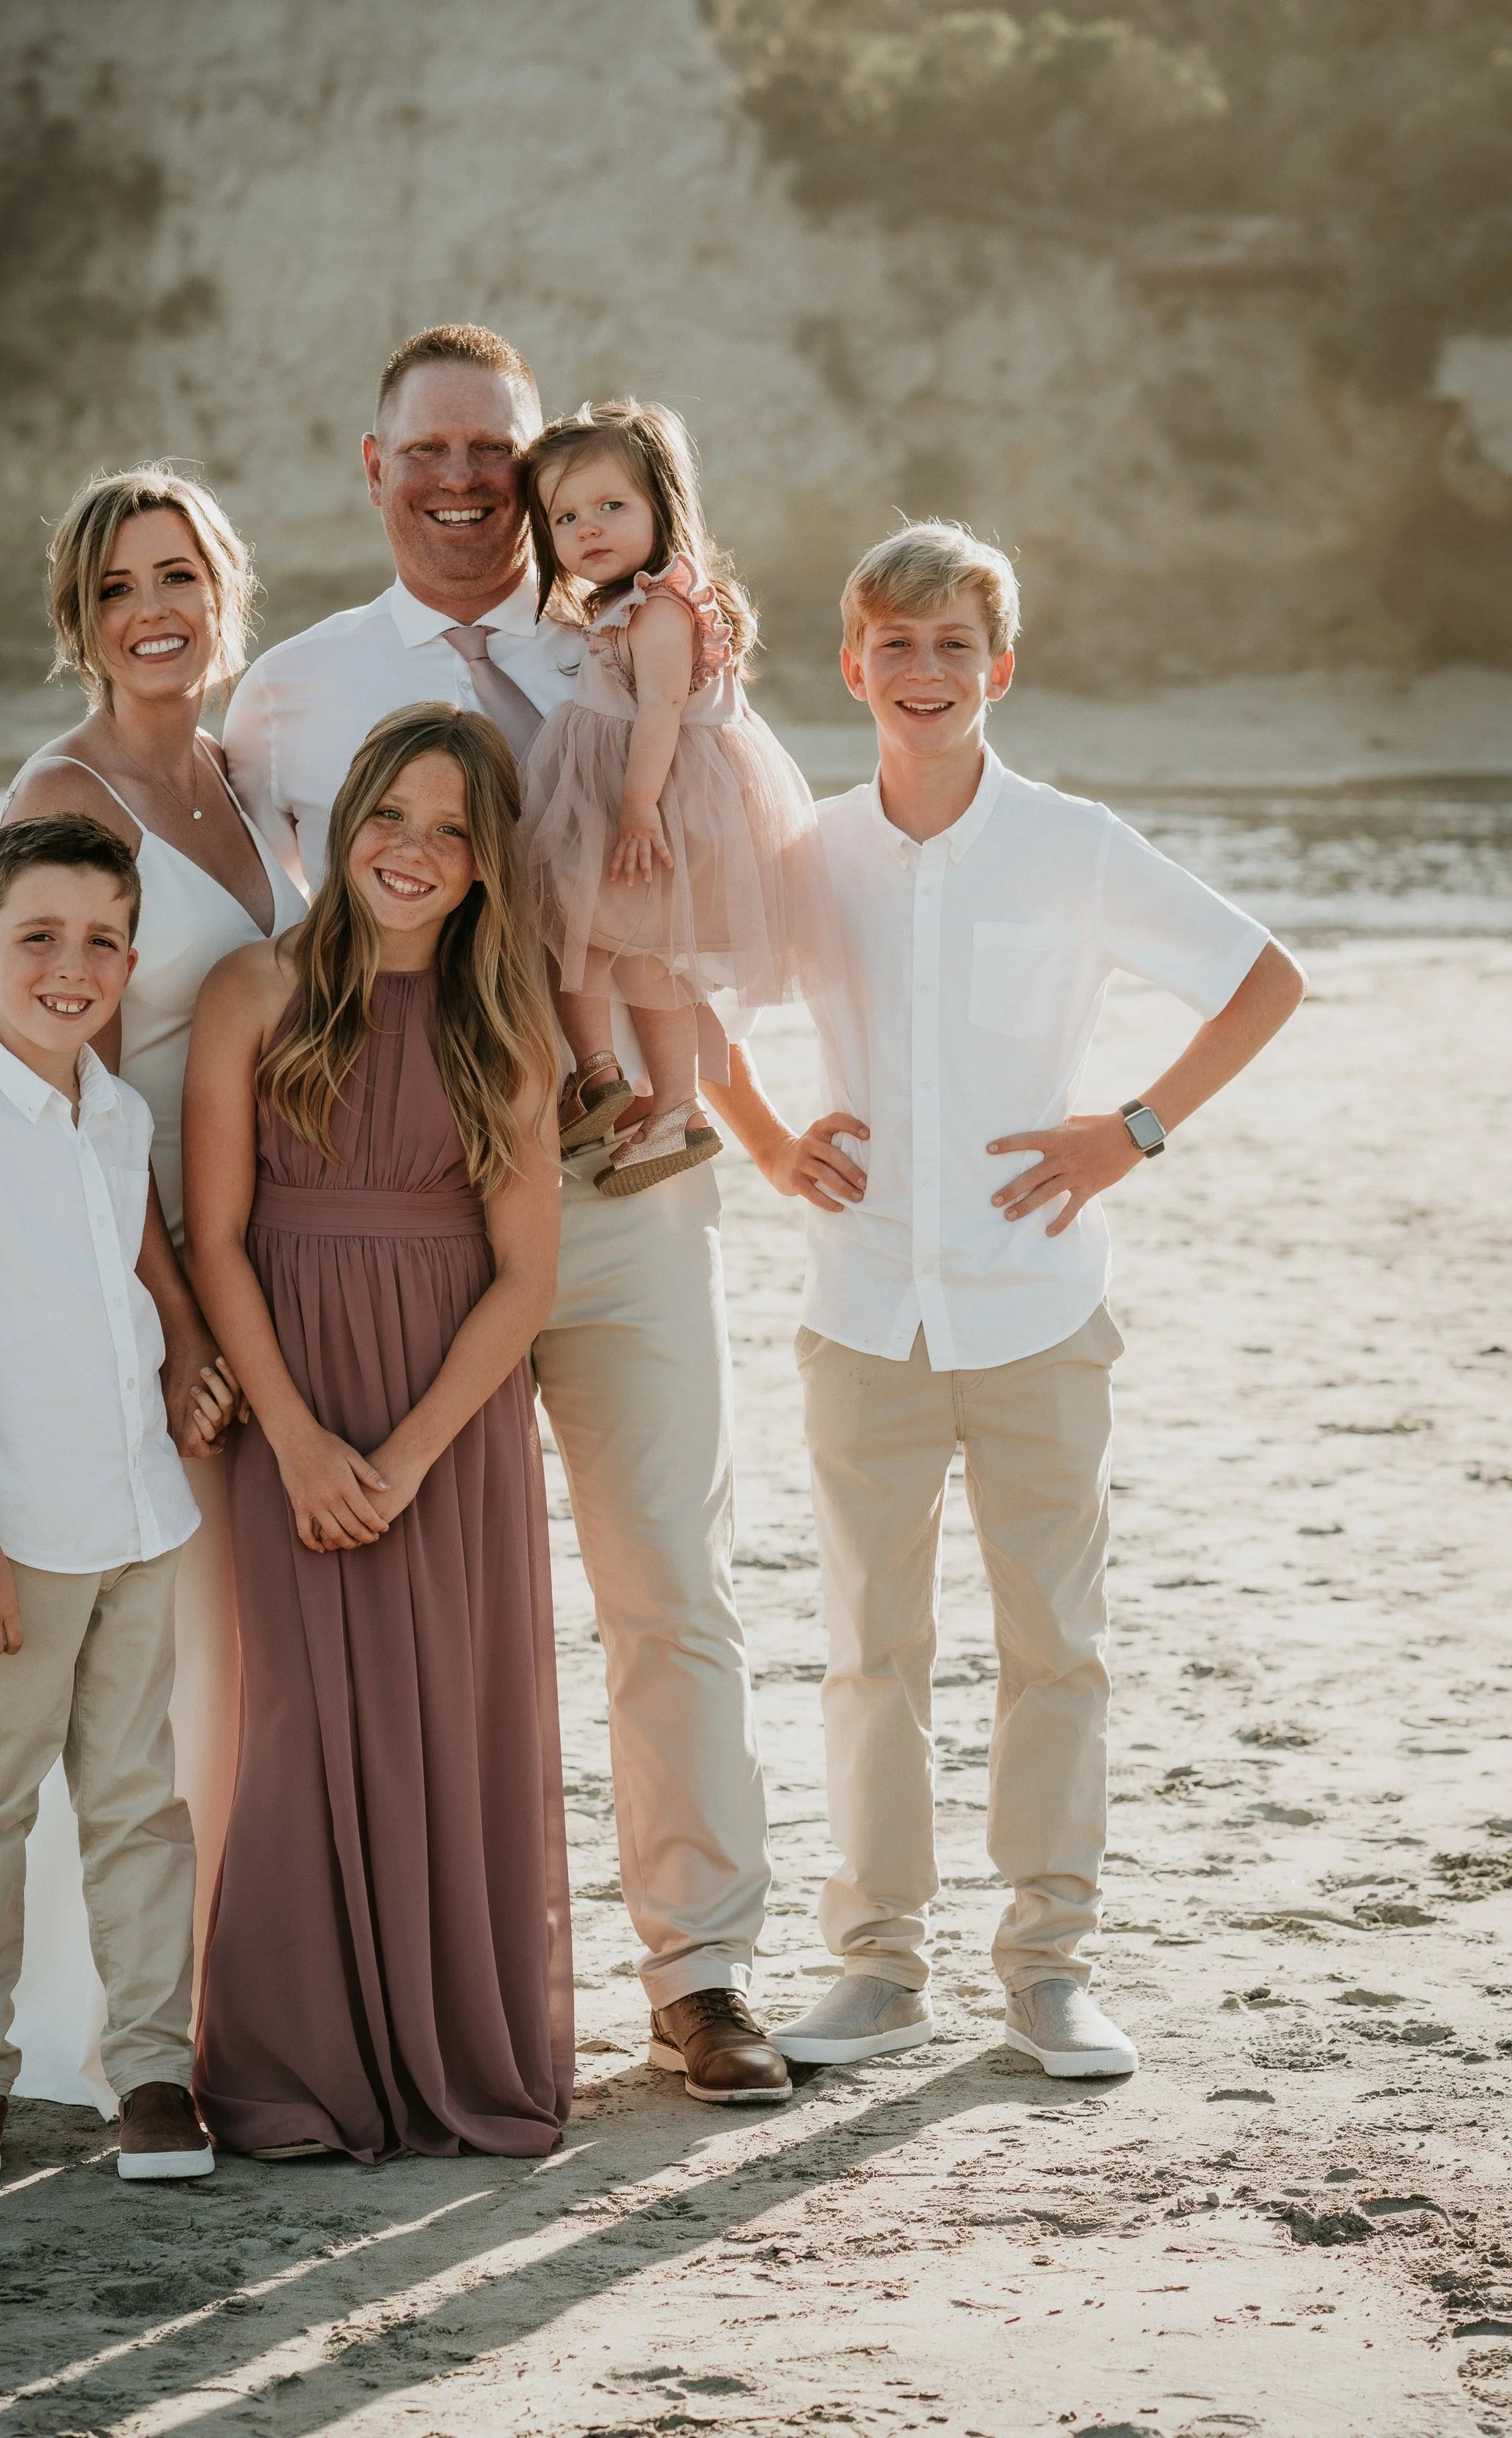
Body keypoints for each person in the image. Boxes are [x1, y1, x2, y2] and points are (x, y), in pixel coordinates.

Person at [223, 325, 789, 2105]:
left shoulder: (639, 644)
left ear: (550, 473)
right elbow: (242, 965)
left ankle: (697, 1974)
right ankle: (375, 1986)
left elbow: (705, 887)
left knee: (665, 1577)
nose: (468, 482)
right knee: (381, 1606)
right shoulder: (289, 697)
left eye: (500, 452)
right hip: (383, 1213)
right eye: (433, 451)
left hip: (611, 1174)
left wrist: (748, 1118)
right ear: (373, 466)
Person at [707, 522, 1305, 2078]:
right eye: (892, 646)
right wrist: (771, 1143)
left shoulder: (1074, 843)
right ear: (850, 666)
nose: (921, 672)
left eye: (950, 645)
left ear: (999, 668)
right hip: (860, 1314)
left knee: (1055, 1645)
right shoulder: (809, 851)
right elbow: (682, 1001)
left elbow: (1262, 978)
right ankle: (876, 1966)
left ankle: (1045, 1964)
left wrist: (1133, 1129)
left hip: (1037, 1306)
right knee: (867, 1649)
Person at [183, 702, 569, 2161]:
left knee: (447, 1723)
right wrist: (289, 1438)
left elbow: (526, 1274)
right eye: (389, 816)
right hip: (290, 1392)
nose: (411, 850)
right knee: (294, 1717)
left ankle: (448, 2052)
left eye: (449, 831)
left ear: (483, 868)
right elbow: (217, 1237)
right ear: (343, 822)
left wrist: (404, 1454)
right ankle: (293, 2065)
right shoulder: (252, 990)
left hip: (444, 1419)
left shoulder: (505, 1014)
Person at [0, 468, 304, 2105]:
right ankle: (116, 2021)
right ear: (83, 618)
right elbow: (73, 1092)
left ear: (224, 585)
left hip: (272, 1261)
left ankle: (224, 1992)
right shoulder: (71, 794)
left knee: (243, 1648)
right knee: (160, 1657)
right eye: (118, 587)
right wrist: (183, 1321)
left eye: (177, 573)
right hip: (146, 1276)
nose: (153, 608)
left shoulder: (244, 779)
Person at [0, 815, 224, 2180]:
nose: (69, 965)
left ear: (130, 960)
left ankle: (150, 2071)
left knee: (141, 1801)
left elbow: (140, 1249)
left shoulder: (116, 1108)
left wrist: (189, 1342)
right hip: (6, 1541)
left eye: (99, 940)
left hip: (140, 1518)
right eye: (38, 938)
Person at [519, 399, 830, 1195]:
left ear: (664, 506)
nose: (588, 528)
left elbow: (659, 710)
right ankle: (626, 1090)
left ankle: (647, 1096)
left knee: (620, 946)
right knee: (602, 943)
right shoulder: (626, 604)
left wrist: (634, 810)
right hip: (634, 795)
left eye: (612, 506)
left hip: (660, 804)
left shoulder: (662, 606)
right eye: (565, 516)